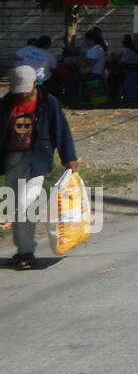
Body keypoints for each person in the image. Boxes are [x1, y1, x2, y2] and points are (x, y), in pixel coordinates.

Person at [1, 65, 78, 269]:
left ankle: (26, 254)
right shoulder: (6, 104)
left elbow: (61, 131)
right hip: (12, 162)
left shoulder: (48, 103)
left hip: (36, 162)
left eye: (26, 91)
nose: (22, 95)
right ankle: (24, 252)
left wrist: (69, 159)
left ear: (35, 84)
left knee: (24, 205)